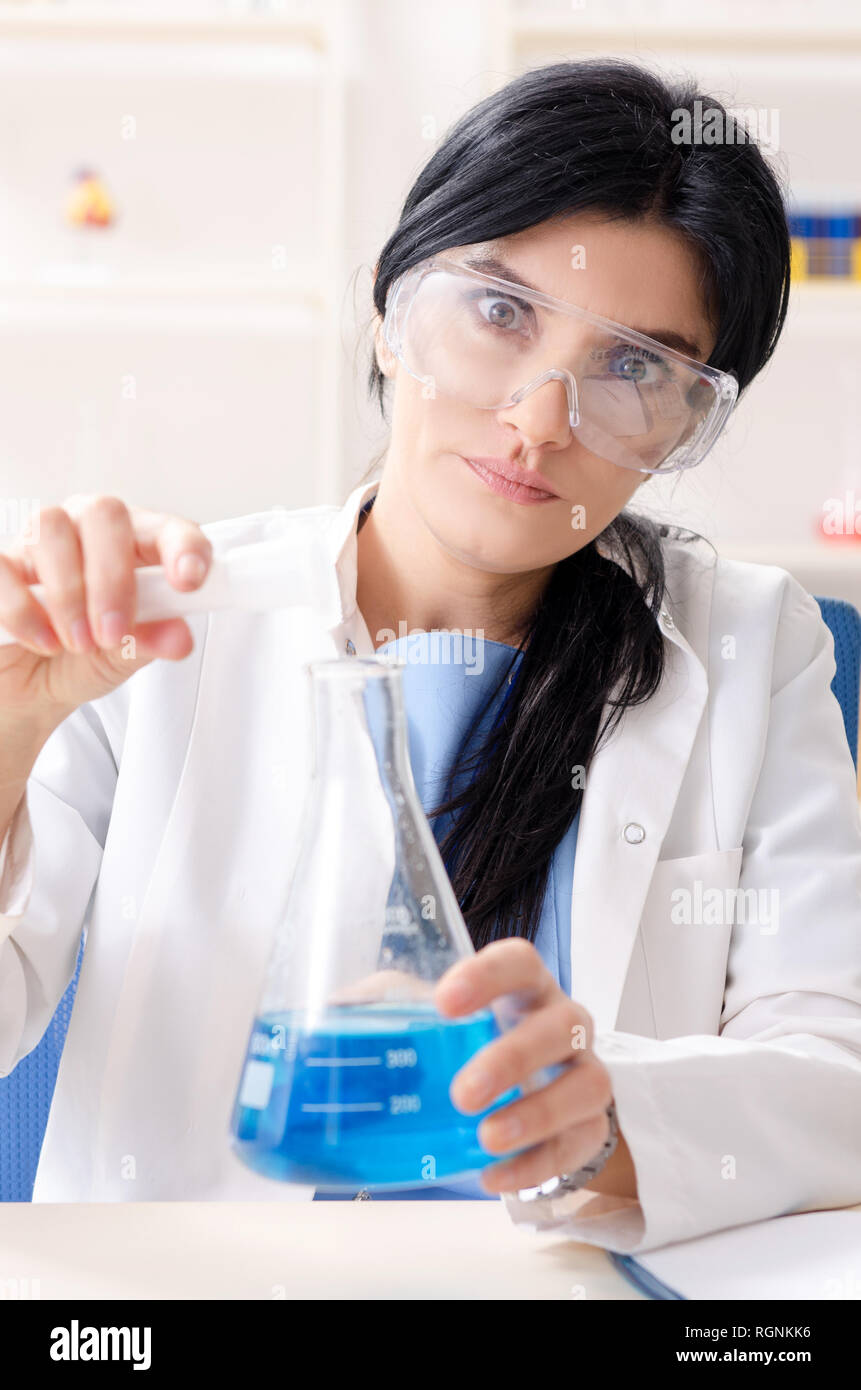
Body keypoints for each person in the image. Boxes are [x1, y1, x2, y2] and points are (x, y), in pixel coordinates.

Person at [0, 58, 859, 1254]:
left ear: (687, 425)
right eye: (502, 313)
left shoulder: (753, 644)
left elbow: (836, 1079)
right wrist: (11, 731)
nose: (539, 420)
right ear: (391, 310)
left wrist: (607, 1117)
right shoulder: (157, 624)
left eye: (633, 367)